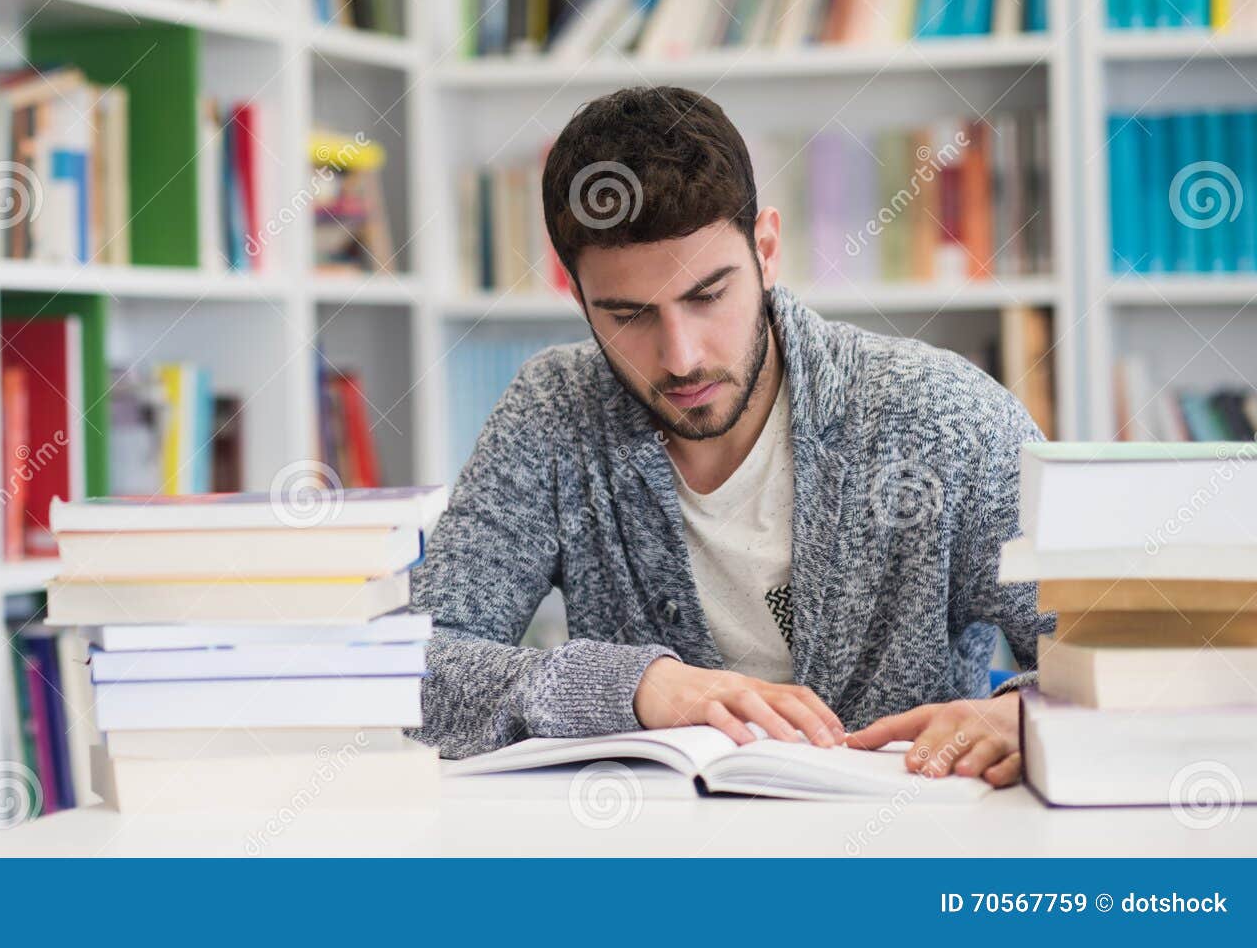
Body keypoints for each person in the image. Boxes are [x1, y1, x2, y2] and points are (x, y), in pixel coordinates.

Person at [410, 86, 1053, 786]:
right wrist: (637, 685)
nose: (681, 357)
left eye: (708, 296)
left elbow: (1129, 656)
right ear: (577, 298)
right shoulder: (552, 414)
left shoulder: (944, 417)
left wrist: (1019, 711)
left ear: (767, 250)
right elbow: (413, 670)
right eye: (629, 315)